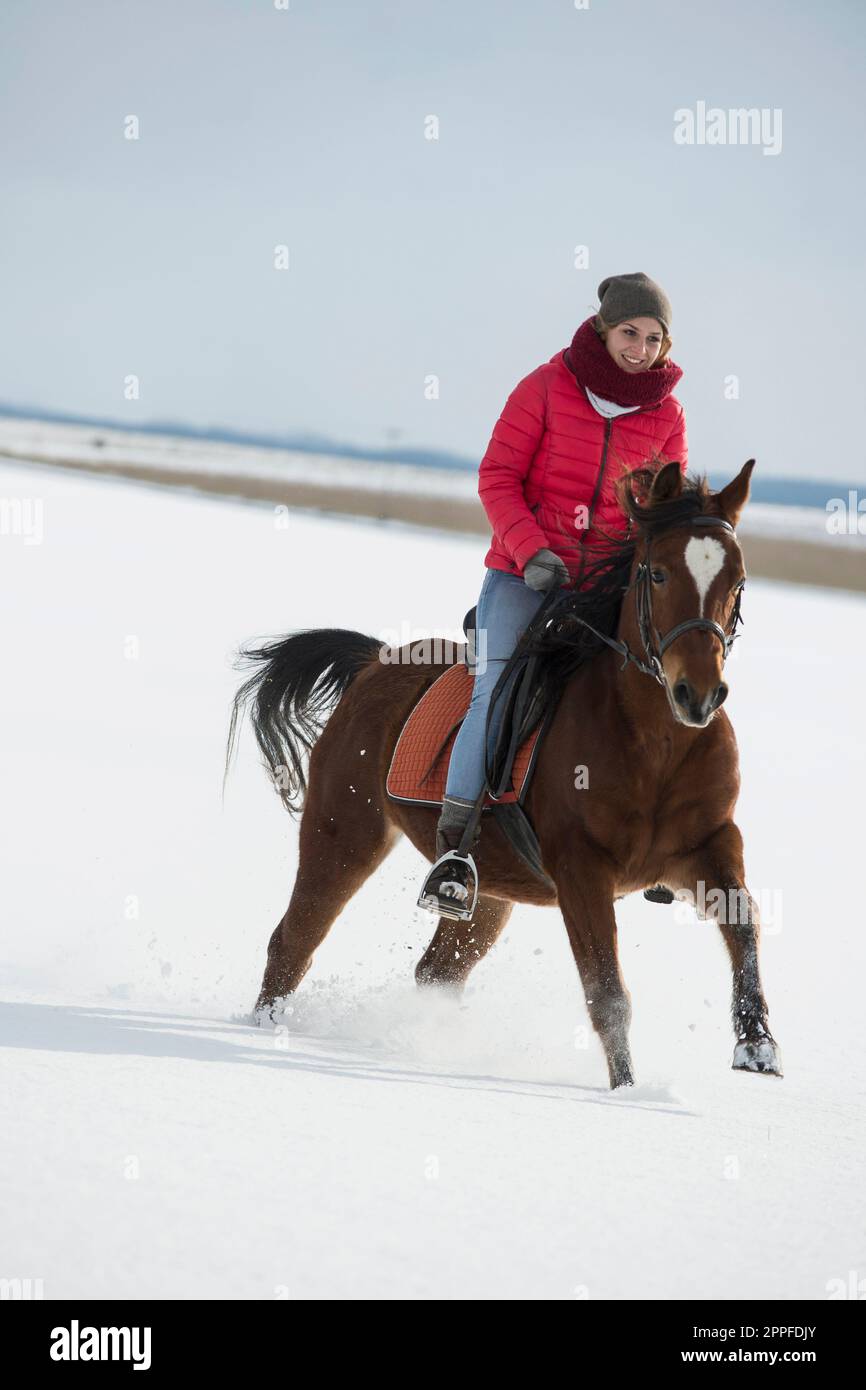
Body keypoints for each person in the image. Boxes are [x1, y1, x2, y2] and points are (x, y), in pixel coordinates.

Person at [418, 272, 689, 917]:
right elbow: (497, 478)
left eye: (654, 338)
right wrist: (531, 551)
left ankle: (661, 840)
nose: (640, 349)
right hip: (521, 574)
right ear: (603, 326)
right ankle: (455, 849)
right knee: (498, 683)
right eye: (629, 332)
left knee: (662, 678)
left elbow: (663, 510)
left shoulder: (668, 416)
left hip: (606, 587)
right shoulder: (544, 387)